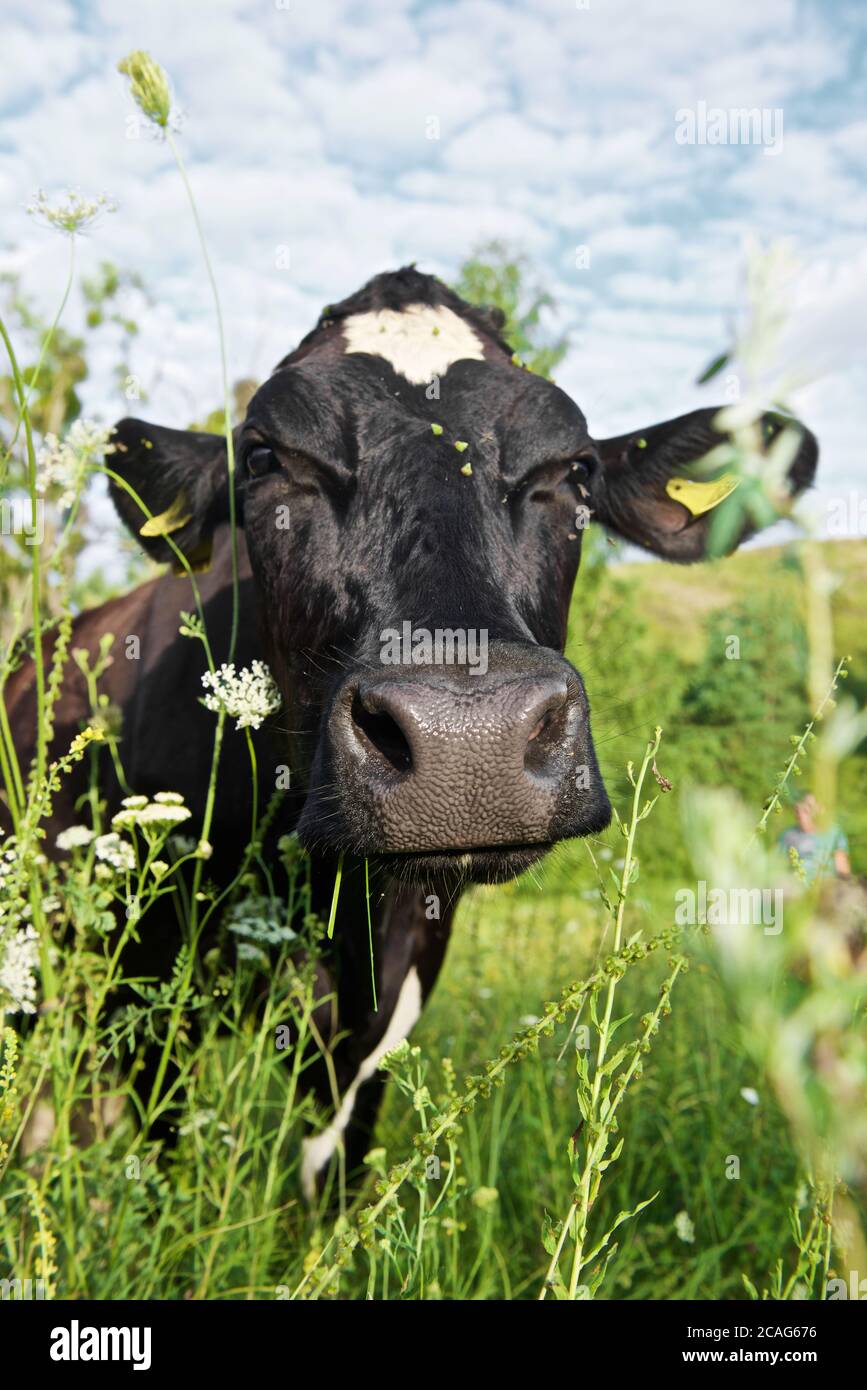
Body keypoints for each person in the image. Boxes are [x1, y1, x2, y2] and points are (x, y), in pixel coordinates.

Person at [779, 792, 851, 883]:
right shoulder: (788, 836)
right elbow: (779, 868)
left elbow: (842, 868)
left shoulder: (834, 833)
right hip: (799, 888)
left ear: (820, 809)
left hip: (827, 887)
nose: (801, 813)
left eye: (807, 808)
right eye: (798, 809)